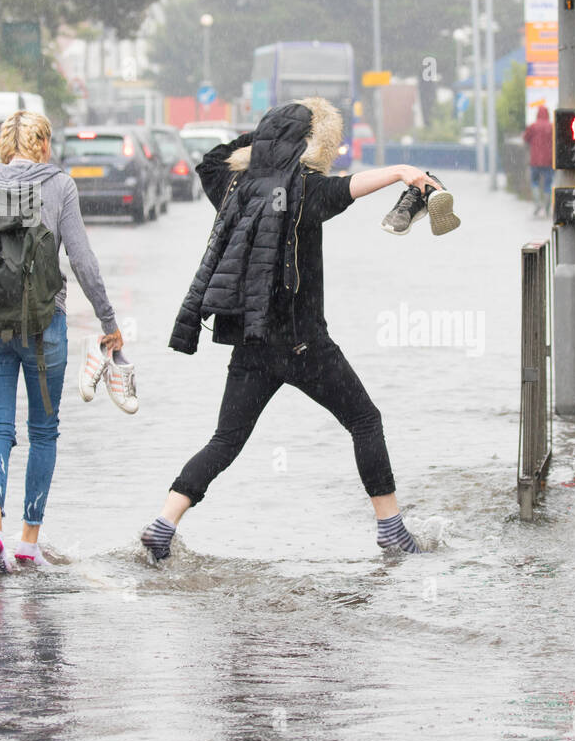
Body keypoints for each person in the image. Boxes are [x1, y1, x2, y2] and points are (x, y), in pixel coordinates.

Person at [139, 97, 441, 561]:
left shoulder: (233, 186)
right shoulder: (306, 191)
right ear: (311, 145)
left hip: (250, 344)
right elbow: (353, 186)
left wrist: (260, 143)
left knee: (225, 440)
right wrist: (402, 171)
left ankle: (163, 523)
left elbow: (209, 159)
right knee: (365, 421)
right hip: (304, 345)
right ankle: (391, 530)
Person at [0, 111, 123, 572]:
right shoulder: (59, 185)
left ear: (5, 144)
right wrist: (108, 319)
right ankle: (28, 540)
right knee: (43, 431)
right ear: (43, 144)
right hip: (44, 325)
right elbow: (81, 260)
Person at [523, 104, 555, 218]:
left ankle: (537, 203)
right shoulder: (552, 127)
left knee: (534, 182)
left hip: (535, 160)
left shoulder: (533, 126)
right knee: (548, 183)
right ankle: (547, 207)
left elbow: (525, 138)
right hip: (549, 160)